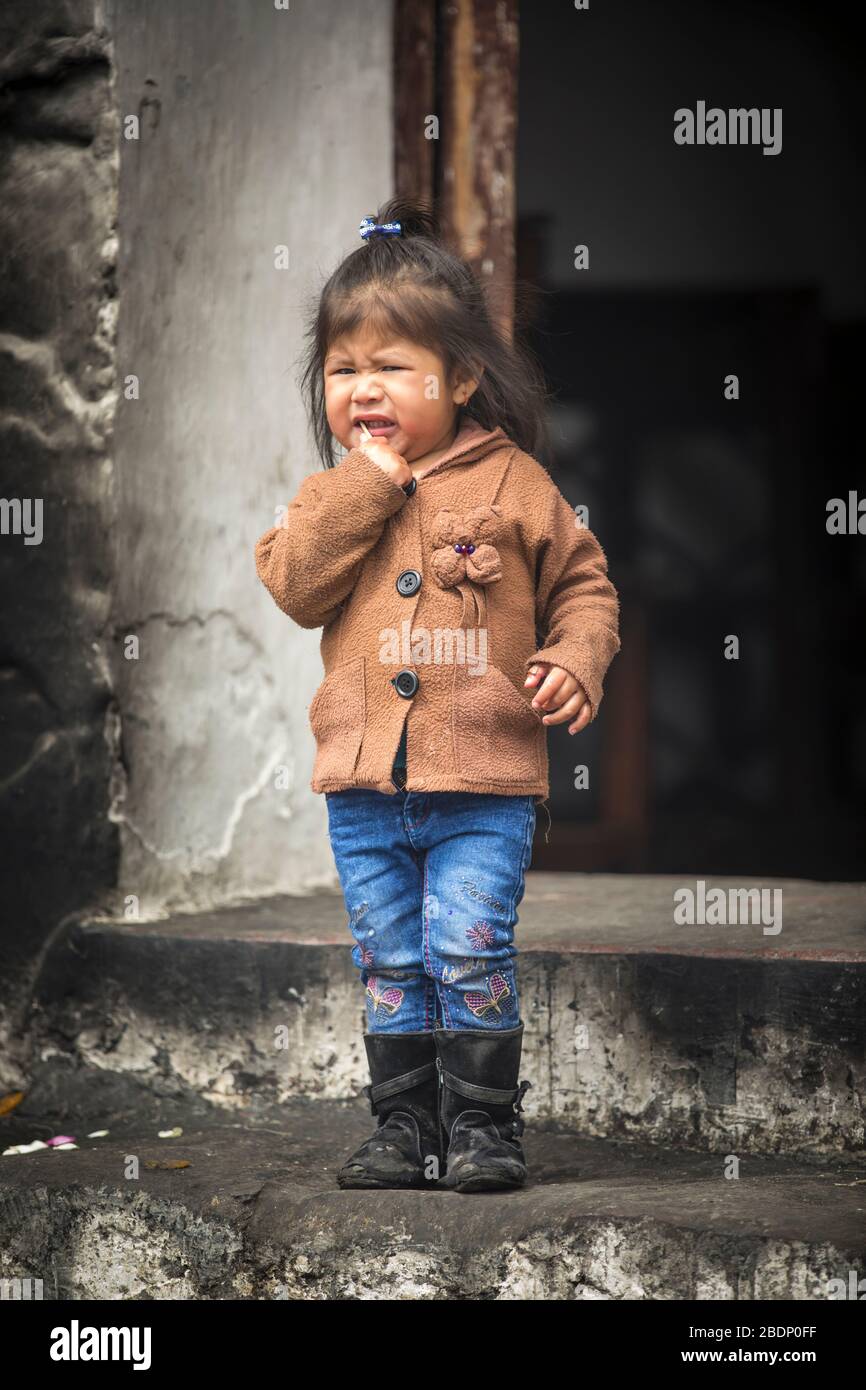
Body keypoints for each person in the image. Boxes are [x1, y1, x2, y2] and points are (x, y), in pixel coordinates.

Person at [254, 198, 620, 1193]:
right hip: (364, 791)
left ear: (459, 379)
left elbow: (584, 586)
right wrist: (367, 485)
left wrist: (576, 656)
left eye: (390, 367)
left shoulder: (515, 484)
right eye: (342, 370)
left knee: (465, 947)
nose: (361, 388)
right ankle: (401, 1126)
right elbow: (293, 585)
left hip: (483, 785)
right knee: (389, 958)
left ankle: (484, 1128)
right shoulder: (330, 493)